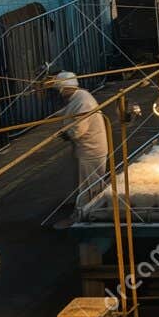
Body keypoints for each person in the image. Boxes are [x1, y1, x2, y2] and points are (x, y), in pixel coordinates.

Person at [53, 71, 110, 226]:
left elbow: (78, 130)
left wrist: (66, 134)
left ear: (62, 88)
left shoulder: (83, 101)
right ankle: (90, 210)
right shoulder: (79, 96)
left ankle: (82, 217)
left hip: (91, 150)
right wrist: (54, 116)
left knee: (88, 185)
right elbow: (69, 110)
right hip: (89, 149)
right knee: (88, 183)